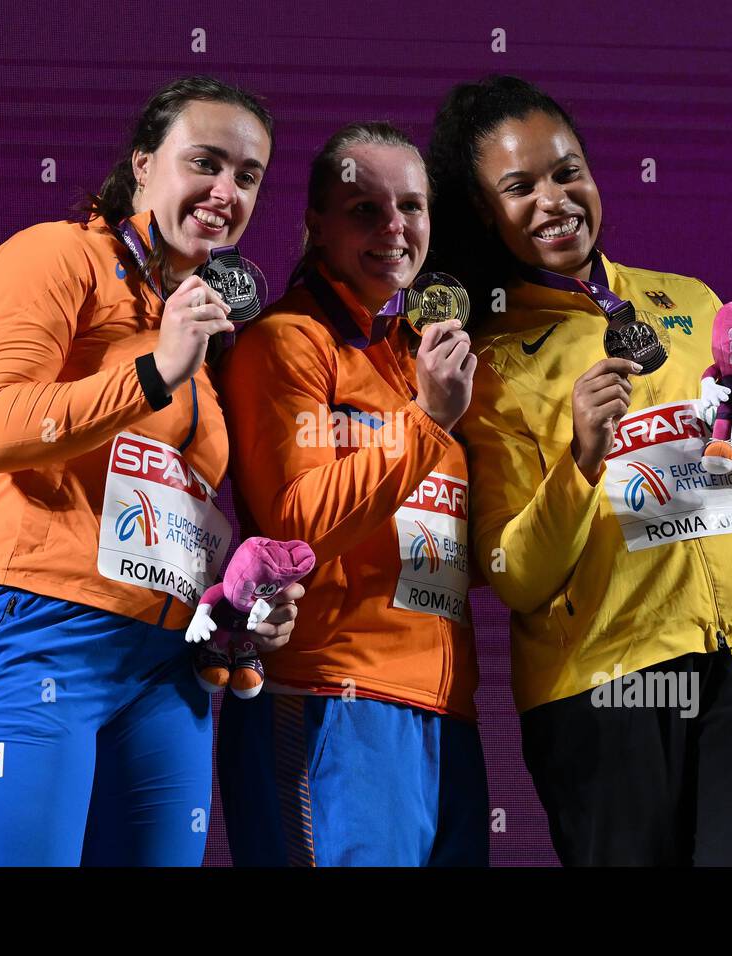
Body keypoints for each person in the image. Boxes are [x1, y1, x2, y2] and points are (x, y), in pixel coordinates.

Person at [0, 75, 304, 866]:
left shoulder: (195, 322)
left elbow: (152, 495)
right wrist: (154, 371)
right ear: (144, 165)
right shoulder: (55, 256)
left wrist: (234, 602)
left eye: (249, 175)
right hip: (27, 630)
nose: (227, 191)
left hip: (164, 668)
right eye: (207, 162)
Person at [428, 75, 732, 866]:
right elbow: (515, 575)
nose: (555, 199)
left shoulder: (695, 304)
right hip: (600, 690)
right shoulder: (490, 364)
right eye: (519, 186)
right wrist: (581, 460)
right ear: (482, 211)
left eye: (568, 171)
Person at [216, 122, 489, 866]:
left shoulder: (421, 356)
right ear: (316, 224)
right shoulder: (287, 343)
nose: (394, 227)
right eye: (364, 209)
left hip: (443, 709)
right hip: (330, 695)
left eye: (411, 206)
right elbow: (294, 523)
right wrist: (428, 420)